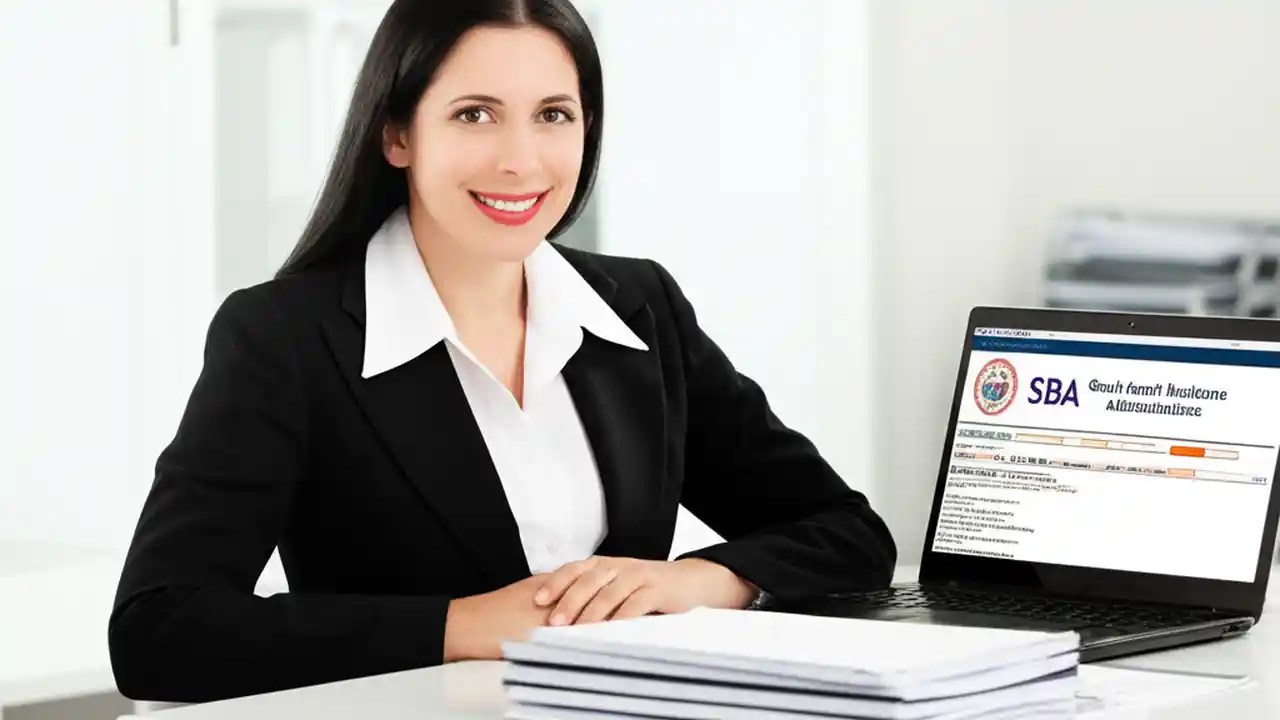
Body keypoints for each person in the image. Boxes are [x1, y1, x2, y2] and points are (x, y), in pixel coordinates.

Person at [108, 0, 896, 704]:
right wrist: (463, 624)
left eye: (554, 115)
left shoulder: (639, 309)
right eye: (475, 115)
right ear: (396, 134)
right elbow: (160, 630)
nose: (521, 159)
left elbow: (848, 534)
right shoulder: (284, 336)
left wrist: (699, 581)